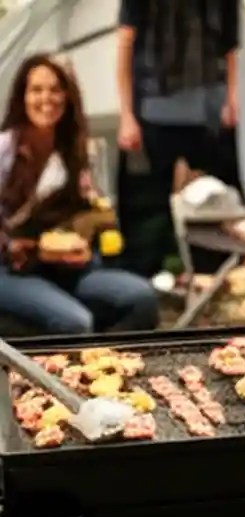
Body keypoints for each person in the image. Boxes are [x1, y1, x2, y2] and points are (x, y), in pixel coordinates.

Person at [0, 55, 159, 335]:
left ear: (68, 96)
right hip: (10, 269)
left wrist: (85, 243)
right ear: (22, 97)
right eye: (36, 90)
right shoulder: (6, 148)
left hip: (62, 267)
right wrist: (20, 248)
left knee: (142, 298)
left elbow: (91, 215)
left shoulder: (74, 152)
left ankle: (108, 363)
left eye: (55, 89)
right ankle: (62, 374)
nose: (46, 99)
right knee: (76, 322)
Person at [116, 0, 242, 275]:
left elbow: (230, 47)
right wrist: (126, 116)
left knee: (218, 199)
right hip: (153, 111)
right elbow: (125, 44)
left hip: (210, 111)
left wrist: (233, 97)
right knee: (147, 210)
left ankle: (216, 277)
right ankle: (145, 282)